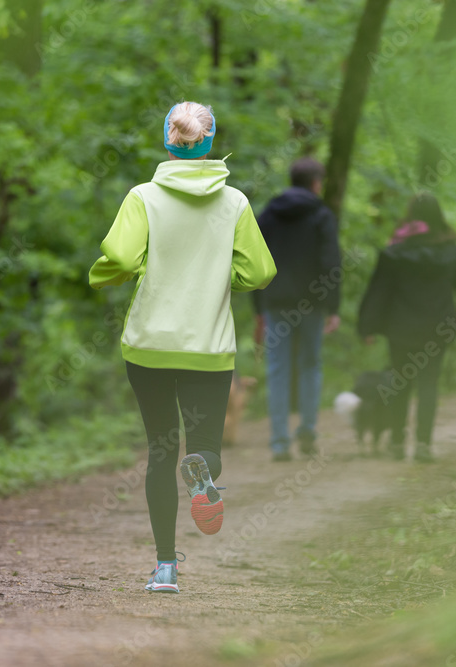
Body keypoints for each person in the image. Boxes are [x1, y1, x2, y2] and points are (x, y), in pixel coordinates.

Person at [89, 101, 276, 593]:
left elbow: (123, 257)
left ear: (167, 141)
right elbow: (260, 272)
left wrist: (103, 273)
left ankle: (165, 569)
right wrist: (222, 277)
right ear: (210, 142)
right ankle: (203, 473)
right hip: (208, 348)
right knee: (206, 445)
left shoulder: (142, 196)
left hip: (149, 344)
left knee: (158, 448)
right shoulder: (233, 202)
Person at [356, 192, 456, 463]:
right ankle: (423, 443)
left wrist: (367, 327)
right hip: (439, 327)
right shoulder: (451, 252)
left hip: (401, 328)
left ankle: (398, 441)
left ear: (411, 216)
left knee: (400, 383)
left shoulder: (395, 252)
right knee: (429, 384)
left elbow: (378, 291)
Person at [252, 158, 342, 462]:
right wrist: (333, 306)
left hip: (276, 302)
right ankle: (307, 432)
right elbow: (331, 262)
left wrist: (258, 308)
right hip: (312, 303)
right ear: (315, 183)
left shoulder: (267, 215)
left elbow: (254, 262)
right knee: (310, 365)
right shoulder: (321, 215)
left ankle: (279, 442)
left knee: (277, 369)